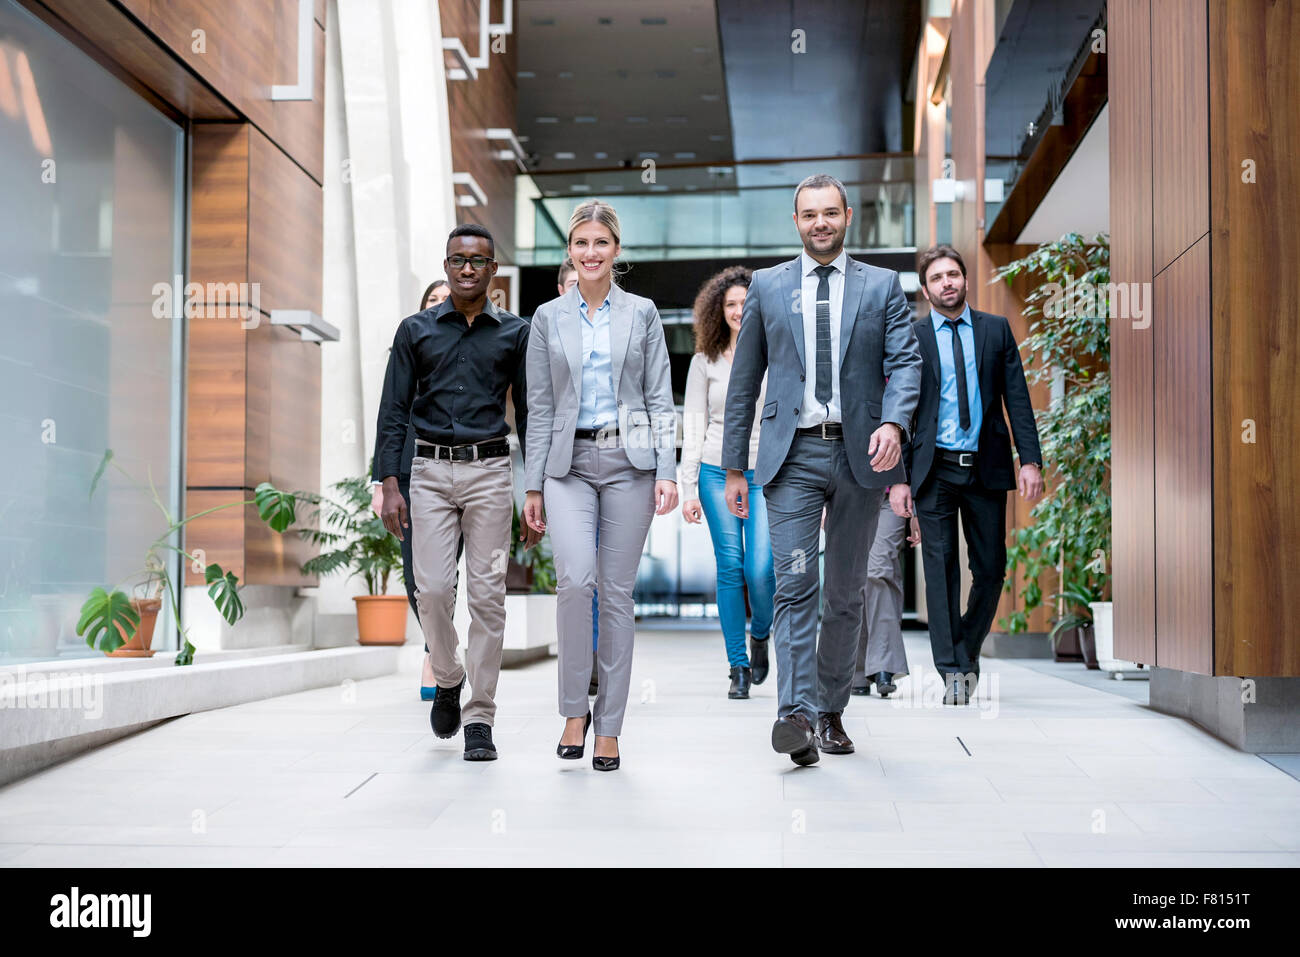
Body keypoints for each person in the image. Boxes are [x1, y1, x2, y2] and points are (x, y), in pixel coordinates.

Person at [722, 173, 921, 766]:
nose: (820, 223)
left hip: (864, 454)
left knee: (844, 592)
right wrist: (735, 465)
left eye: (829, 212)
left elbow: (906, 364)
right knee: (794, 584)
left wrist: (893, 423)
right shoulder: (767, 285)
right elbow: (743, 382)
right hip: (793, 455)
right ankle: (796, 714)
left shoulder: (883, 286)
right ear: (796, 221)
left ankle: (832, 711)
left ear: (848, 216)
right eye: (808, 214)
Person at [523, 200, 678, 771]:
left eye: (601, 243)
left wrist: (666, 471)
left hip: (631, 463)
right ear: (570, 250)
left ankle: (609, 725)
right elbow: (539, 408)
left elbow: (660, 397)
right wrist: (533, 484)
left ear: (616, 250)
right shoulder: (546, 317)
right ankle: (572, 711)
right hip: (568, 467)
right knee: (574, 582)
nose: (590, 253)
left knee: (615, 595)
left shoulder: (642, 313)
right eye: (581, 243)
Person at [375, 224, 536, 760]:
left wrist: (534, 490)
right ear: (446, 266)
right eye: (458, 259)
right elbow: (394, 412)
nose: (468, 268)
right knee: (434, 590)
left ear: (493, 270)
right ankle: (447, 676)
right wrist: (388, 483)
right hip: (428, 474)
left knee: (488, 598)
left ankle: (480, 717)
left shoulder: (516, 333)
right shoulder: (414, 331)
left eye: (479, 260)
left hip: (490, 472)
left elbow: (532, 416)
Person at [889, 244, 1043, 705]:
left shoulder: (995, 330)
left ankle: (967, 649)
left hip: (986, 467)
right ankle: (953, 671)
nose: (947, 283)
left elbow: (1017, 396)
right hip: (933, 469)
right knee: (939, 572)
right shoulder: (912, 338)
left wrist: (1030, 459)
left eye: (953, 274)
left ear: (966, 280)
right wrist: (898, 477)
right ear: (925, 289)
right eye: (936, 278)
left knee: (991, 569)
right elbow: (899, 409)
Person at [680, 266, 775, 700]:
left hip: (766, 473)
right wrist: (687, 487)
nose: (738, 310)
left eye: (745, 303)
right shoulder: (705, 361)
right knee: (731, 566)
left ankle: (761, 634)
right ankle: (737, 664)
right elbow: (694, 424)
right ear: (719, 311)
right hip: (716, 470)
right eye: (730, 304)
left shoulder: (778, 353)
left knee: (760, 568)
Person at [370, 279, 451, 701]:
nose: (439, 305)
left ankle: (433, 655)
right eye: (432, 300)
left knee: (443, 575)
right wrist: (378, 480)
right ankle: (437, 647)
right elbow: (389, 417)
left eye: (445, 299)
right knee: (413, 573)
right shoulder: (405, 351)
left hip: (450, 473)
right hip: (404, 475)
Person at [558, 258, 601, 697]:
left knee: (607, 576)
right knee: (577, 573)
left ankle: (600, 656)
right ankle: (585, 661)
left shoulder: (628, 317)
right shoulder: (548, 326)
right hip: (567, 464)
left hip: (622, 459)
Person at [850, 490, 919, 697]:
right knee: (853, 576)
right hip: (846, 491)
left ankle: (883, 665)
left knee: (879, 571)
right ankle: (856, 670)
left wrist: (914, 504)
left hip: (890, 492)